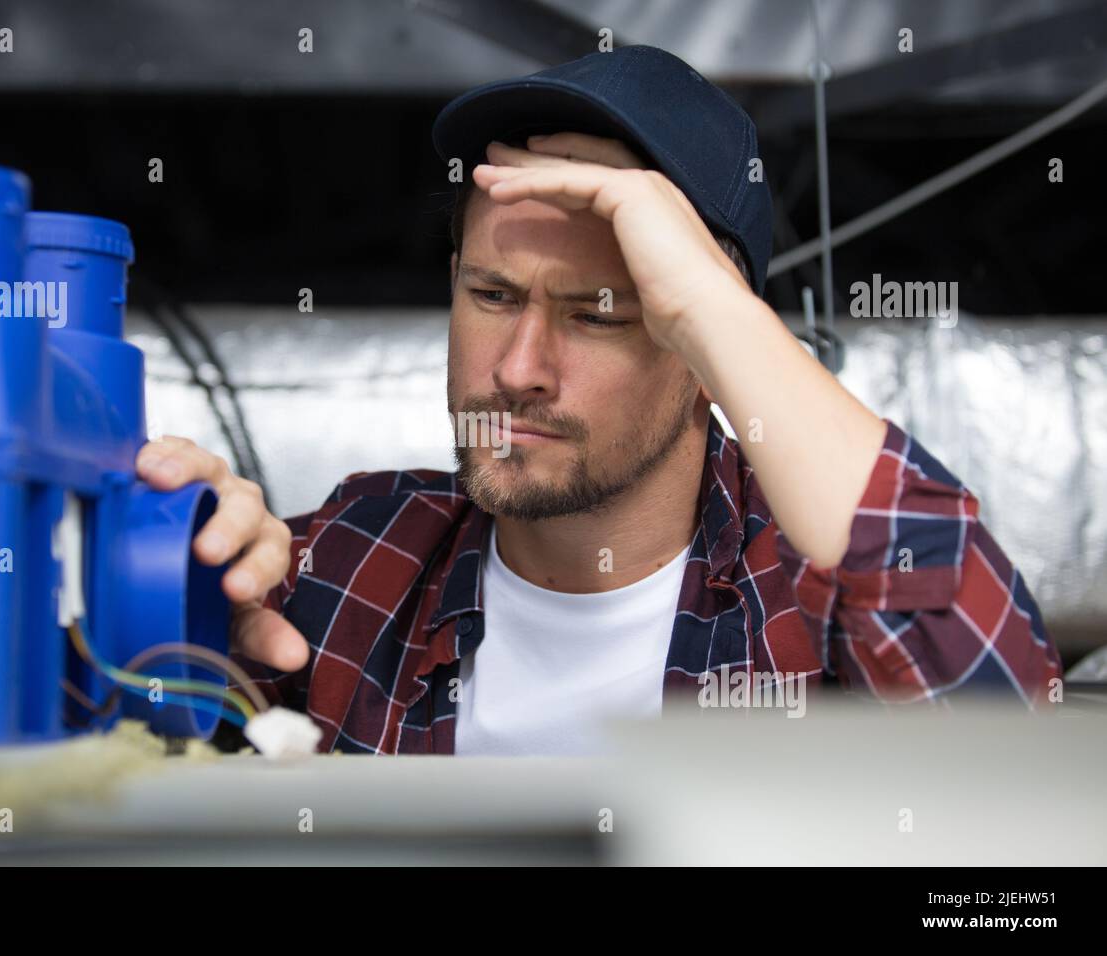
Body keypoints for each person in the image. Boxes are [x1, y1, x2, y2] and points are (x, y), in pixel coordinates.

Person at [135, 46, 1062, 755]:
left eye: (600, 313)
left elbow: (1013, 764)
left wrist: (706, 301)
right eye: (492, 296)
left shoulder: (807, 604)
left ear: (707, 354)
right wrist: (161, 583)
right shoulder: (352, 560)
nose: (518, 369)